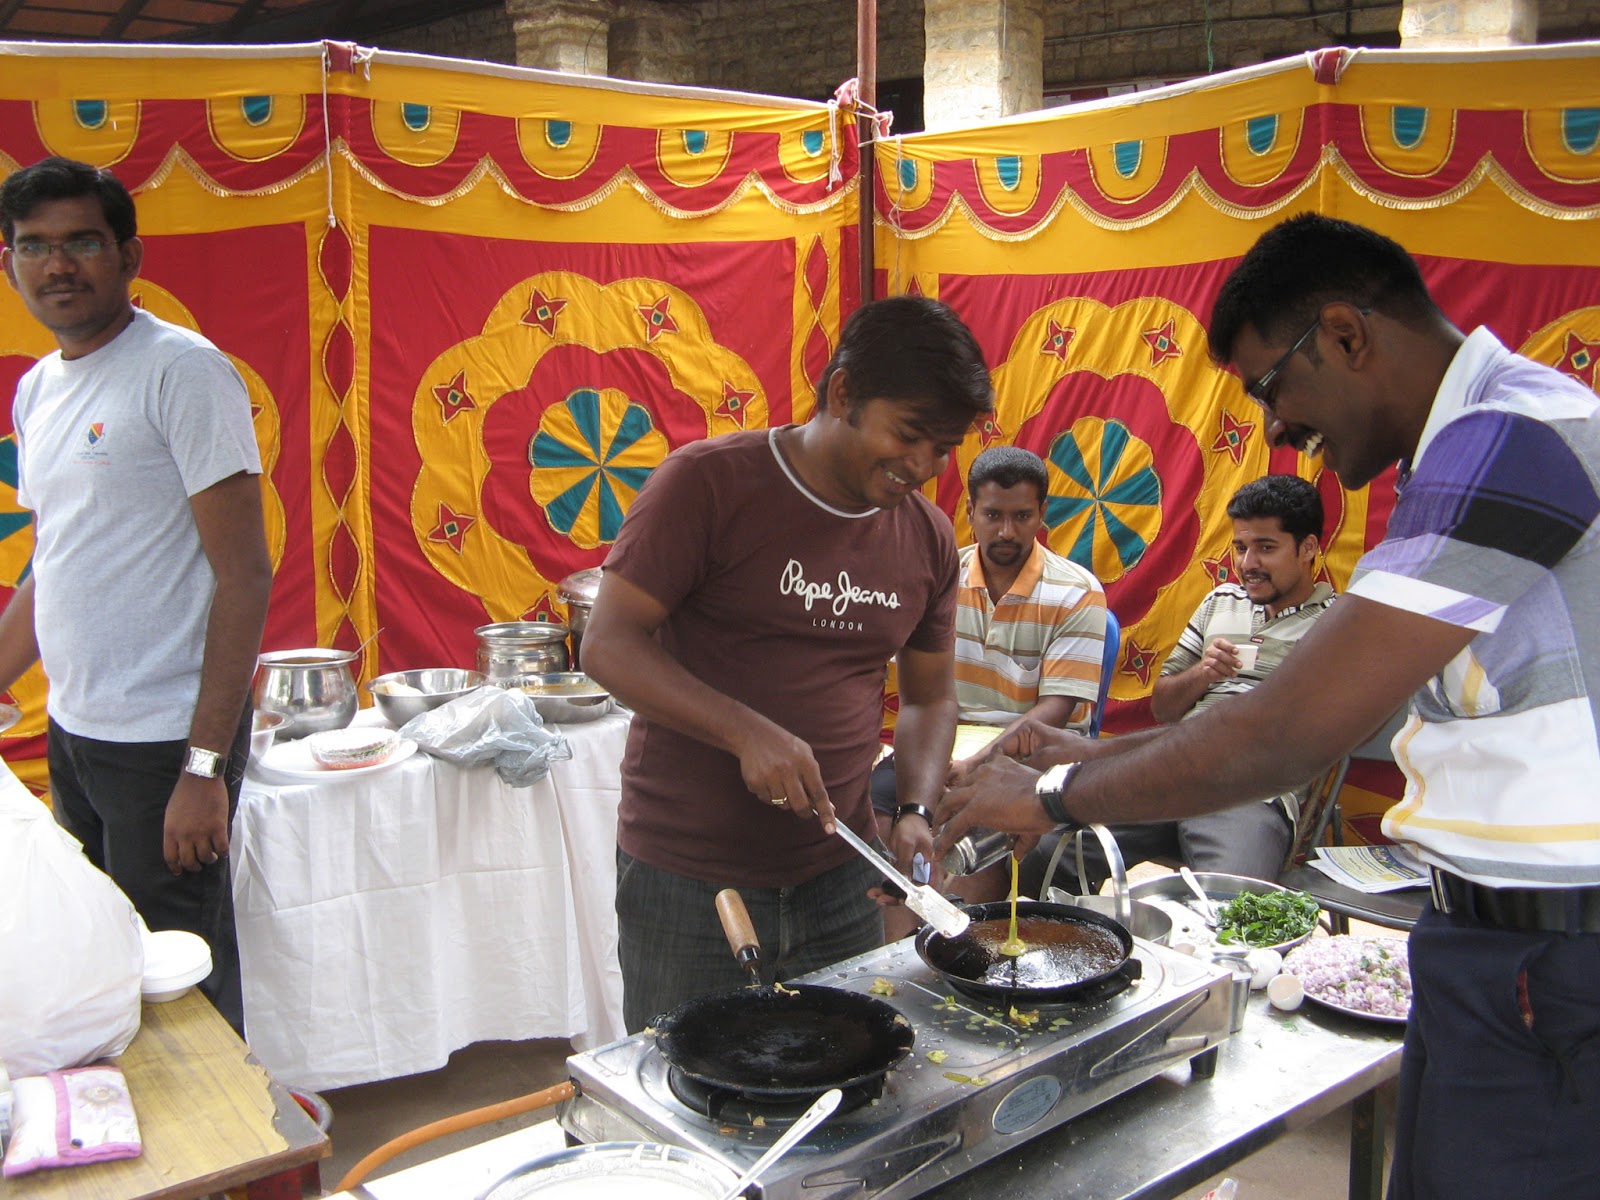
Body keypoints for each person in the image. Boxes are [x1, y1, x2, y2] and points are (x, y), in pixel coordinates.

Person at [935, 212, 1600, 1197]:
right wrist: (1065, 763)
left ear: (1345, 334)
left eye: (1269, 387)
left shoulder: (1512, 437)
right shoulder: (1470, 451)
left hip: (1556, 960)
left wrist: (1055, 794)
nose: (1274, 428)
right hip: (1499, 945)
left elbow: (1289, 727)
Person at [582, 294, 994, 1032]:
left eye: (944, 448)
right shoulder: (707, 484)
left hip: (842, 875)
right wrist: (746, 732)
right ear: (843, 394)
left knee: (833, 1081)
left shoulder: (927, 538)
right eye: (910, 436)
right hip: (690, 878)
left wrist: (915, 811)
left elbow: (930, 699)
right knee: (690, 1090)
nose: (926, 467)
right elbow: (609, 644)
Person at [0, 158, 271, 1034]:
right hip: (79, 735)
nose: (57, 265)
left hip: (164, 745)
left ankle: (240, 1163)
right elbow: (60, 560)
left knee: (181, 981)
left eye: (82, 240)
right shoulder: (40, 388)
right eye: (33, 246)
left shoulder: (180, 373)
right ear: (10, 264)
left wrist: (203, 769)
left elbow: (245, 574)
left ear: (129, 255)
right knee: (108, 964)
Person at [868, 445, 1105, 931]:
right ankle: (891, 963)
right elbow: (912, 690)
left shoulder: (1077, 591)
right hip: (946, 741)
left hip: (1036, 753)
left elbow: (1057, 709)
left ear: (1043, 513)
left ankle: (966, 947)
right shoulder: (939, 577)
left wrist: (980, 761)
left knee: (976, 823)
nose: (1006, 531)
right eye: (993, 515)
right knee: (875, 812)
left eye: (1022, 516)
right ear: (970, 511)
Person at [1102, 474, 1334, 884]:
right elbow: (1164, 706)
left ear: (1308, 548)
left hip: (1251, 792)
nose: (1248, 564)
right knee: (1053, 847)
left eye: (1266, 548)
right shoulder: (1219, 601)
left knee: (1236, 902)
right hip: (1171, 772)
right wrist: (1203, 674)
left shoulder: (1336, 622)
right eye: (1241, 547)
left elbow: (1325, 729)